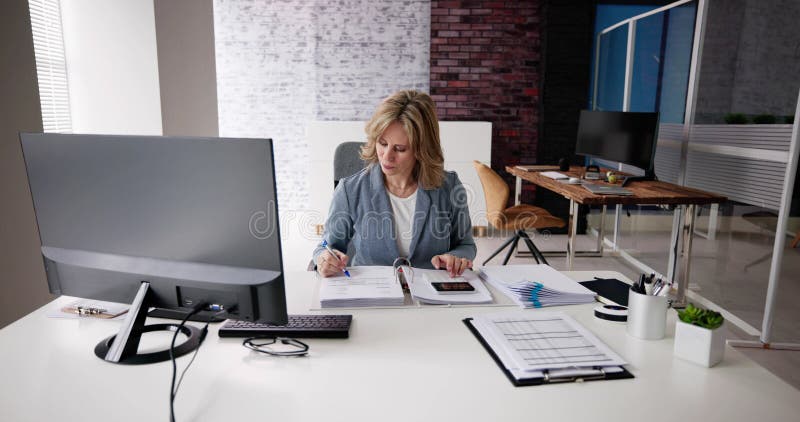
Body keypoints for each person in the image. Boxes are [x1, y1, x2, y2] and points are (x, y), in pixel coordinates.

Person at [313, 90, 476, 277]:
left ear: (421, 149)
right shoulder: (350, 190)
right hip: (373, 297)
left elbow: (466, 245)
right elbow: (325, 247)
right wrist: (323, 259)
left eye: (400, 148)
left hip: (432, 298)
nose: (387, 156)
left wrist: (455, 257)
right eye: (382, 143)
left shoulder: (449, 187)